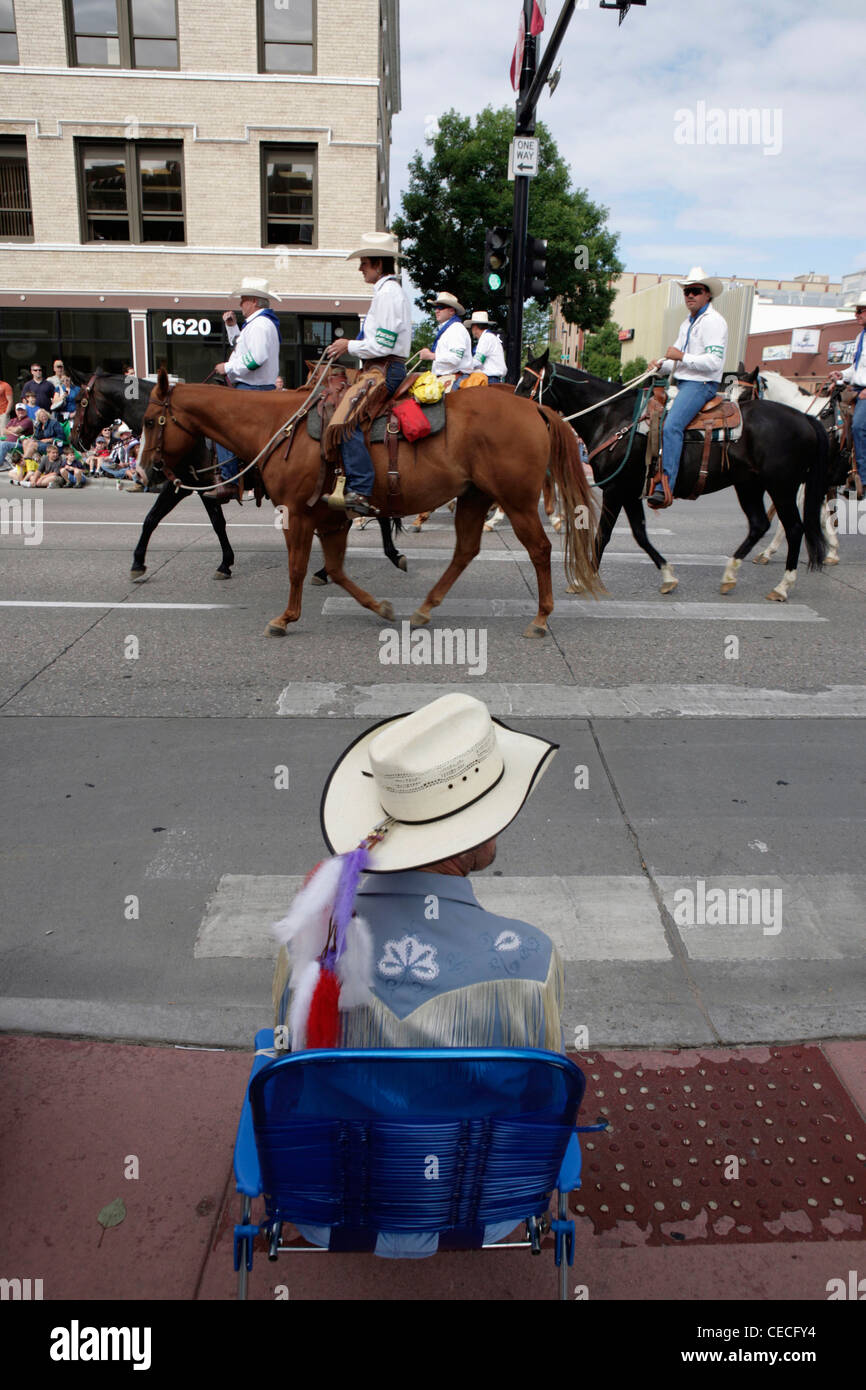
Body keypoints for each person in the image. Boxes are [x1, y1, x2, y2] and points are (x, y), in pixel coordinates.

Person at [271, 691, 563, 1256]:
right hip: (486, 1213)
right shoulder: (533, 961)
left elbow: (290, 1066)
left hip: (330, 1212)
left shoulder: (311, 943)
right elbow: (540, 1101)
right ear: (479, 830)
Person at [323, 230, 412, 516]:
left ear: (377, 263)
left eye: (363, 262)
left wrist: (348, 345)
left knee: (345, 418)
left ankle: (360, 488)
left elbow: (382, 344)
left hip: (385, 369)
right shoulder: (386, 293)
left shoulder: (388, 295)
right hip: (378, 367)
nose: (360, 268)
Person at [647, 266, 728, 508]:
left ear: (707, 295)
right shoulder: (688, 323)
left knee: (672, 426)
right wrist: (659, 365)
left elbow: (714, 362)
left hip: (702, 384)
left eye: (695, 291)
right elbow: (673, 360)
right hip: (682, 382)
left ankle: (666, 484)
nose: (690, 295)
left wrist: (681, 356)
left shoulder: (714, 322)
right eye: (686, 292)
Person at [204, 277, 282, 504]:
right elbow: (243, 348)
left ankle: (228, 480)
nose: (240, 304)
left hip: (252, 390)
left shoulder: (259, 325)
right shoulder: (260, 324)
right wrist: (232, 327)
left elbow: (255, 359)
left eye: (243, 300)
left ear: (254, 302)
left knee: (221, 426)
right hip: (255, 387)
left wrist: (226, 367)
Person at [829, 290, 866, 494]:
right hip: (857, 390)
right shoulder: (861, 336)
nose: (856, 315)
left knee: (859, 426)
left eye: (860, 311)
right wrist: (840, 375)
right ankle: (844, 469)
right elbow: (856, 369)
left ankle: (863, 476)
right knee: (836, 424)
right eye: (856, 311)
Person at [418, 292, 472, 386]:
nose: (436, 311)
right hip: (447, 378)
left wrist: (431, 355)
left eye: (441, 307)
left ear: (451, 311)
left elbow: (455, 357)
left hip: (454, 379)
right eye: (435, 308)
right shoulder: (449, 329)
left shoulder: (456, 329)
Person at [465, 310, 507, 383]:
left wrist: (463, 366)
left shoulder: (486, 338)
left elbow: (478, 360)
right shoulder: (490, 337)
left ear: (474, 327)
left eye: (471, 328)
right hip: (494, 378)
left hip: (490, 378)